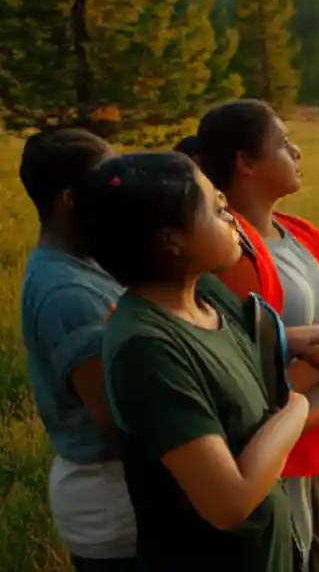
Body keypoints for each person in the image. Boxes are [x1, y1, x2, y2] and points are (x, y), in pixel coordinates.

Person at [78, 152, 319, 572]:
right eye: (217, 209)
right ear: (171, 241)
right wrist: (295, 408)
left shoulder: (208, 295)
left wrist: (316, 355)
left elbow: (251, 383)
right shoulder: (147, 350)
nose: (232, 219)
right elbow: (229, 502)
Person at [190, 100, 319, 572]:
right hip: (279, 459)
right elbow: (245, 376)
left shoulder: (303, 234)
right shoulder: (228, 255)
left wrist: (318, 361)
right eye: (283, 144)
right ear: (245, 163)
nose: (298, 153)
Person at [17, 129, 137, 571]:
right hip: (111, 501)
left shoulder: (81, 266)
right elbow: (110, 413)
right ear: (69, 199)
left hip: (120, 492)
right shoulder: (67, 291)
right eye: (107, 186)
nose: (117, 197)